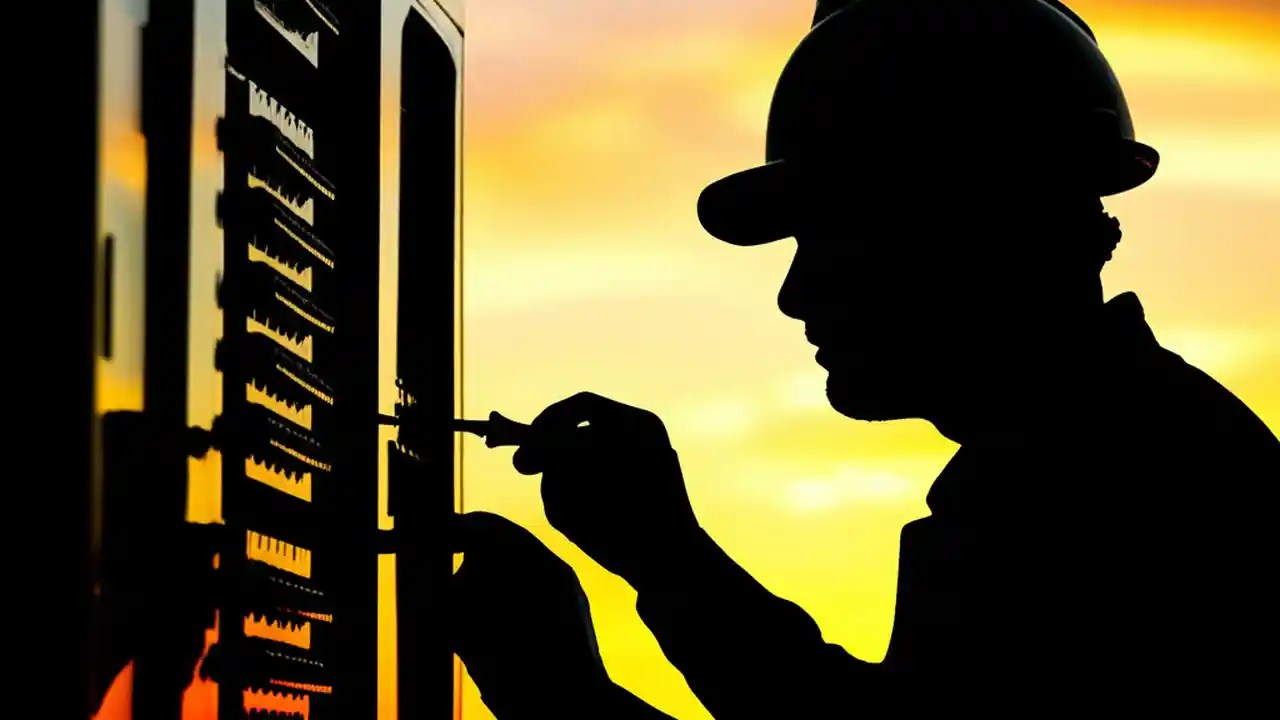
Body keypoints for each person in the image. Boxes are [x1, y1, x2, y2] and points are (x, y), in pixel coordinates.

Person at [449, 1, 1280, 716]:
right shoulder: (1110, 458)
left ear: (971, 228)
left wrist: (604, 641)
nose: (795, 294)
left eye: (836, 238)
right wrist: (656, 570)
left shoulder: (1118, 492)